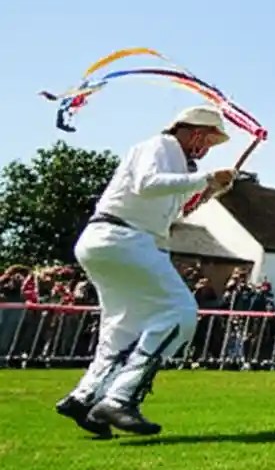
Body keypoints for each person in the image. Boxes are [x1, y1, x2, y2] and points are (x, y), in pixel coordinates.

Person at [55, 106, 237, 437]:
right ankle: (121, 398)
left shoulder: (176, 161)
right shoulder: (162, 146)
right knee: (181, 314)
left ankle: (86, 397)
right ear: (194, 131)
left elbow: (174, 209)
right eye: (209, 139)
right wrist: (205, 178)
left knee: (123, 325)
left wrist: (210, 191)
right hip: (126, 238)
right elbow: (147, 183)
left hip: (109, 239)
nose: (208, 148)